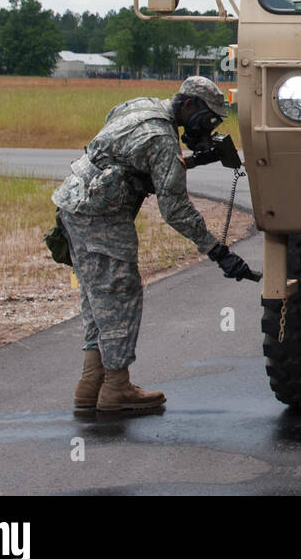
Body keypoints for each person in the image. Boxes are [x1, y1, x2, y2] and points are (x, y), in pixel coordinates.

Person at [53, 76, 258, 414]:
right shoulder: (163, 140)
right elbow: (175, 209)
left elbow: (126, 156)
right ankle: (116, 388)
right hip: (101, 218)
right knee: (119, 294)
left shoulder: (141, 106)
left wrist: (187, 162)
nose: (207, 128)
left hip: (74, 207)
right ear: (189, 104)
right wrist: (217, 251)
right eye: (207, 118)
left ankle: (91, 384)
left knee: (97, 296)